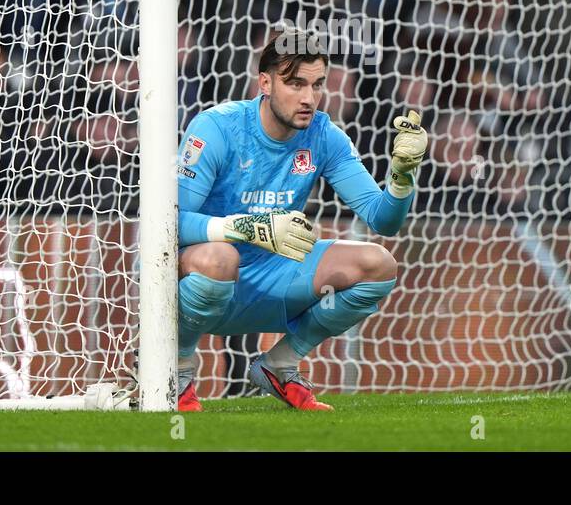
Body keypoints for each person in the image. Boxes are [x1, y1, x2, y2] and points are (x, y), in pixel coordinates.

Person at [173, 30, 429, 411]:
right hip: (204, 280)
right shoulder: (217, 128)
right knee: (220, 258)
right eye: (295, 84)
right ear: (265, 82)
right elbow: (172, 224)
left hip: (271, 281)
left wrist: (403, 176)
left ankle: (279, 363)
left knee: (378, 264)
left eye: (317, 85)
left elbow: (383, 220)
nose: (309, 98)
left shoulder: (324, 135)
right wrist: (243, 228)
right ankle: (176, 366)